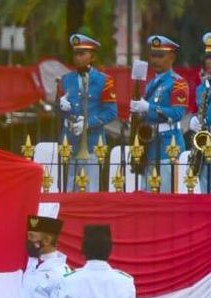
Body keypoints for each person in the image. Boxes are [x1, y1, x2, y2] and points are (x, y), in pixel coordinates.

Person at [58, 34, 117, 192]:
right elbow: (58, 111)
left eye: (82, 53)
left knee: (91, 188)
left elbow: (111, 112)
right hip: (70, 142)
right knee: (69, 187)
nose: (77, 58)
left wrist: (88, 123)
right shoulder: (66, 79)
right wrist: (61, 106)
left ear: (92, 56)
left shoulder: (103, 80)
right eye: (75, 53)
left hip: (92, 142)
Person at [129, 35, 188, 193]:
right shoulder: (151, 84)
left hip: (168, 144)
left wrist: (148, 107)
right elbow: (147, 115)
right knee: (147, 193)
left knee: (165, 193)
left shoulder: (177, 82)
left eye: (160, 56)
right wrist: (137, 113)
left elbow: (177, 113)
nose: (155, 60)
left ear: (172, 57)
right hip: (149, 144)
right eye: (153, 55)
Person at [187, 33, 211, 191]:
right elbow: (196, 109)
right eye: (207, 59)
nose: (209, 62)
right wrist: (194, 120)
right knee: (204, 181)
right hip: (204, 139)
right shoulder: (201, 87)